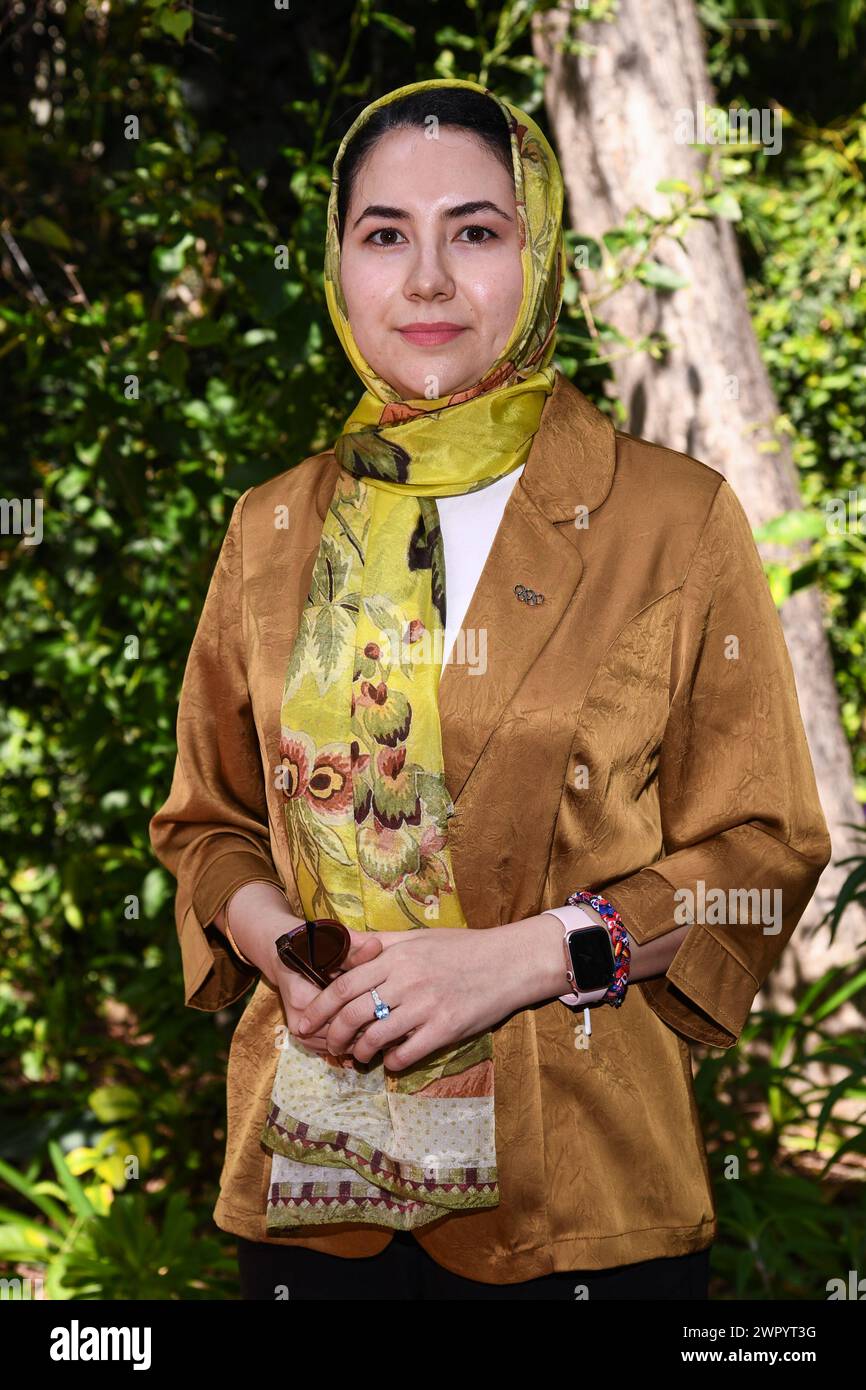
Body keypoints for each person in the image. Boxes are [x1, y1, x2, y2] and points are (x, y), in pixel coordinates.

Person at [148, 78, 832, 1301]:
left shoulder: (668, 520)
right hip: (310, 1189)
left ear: (541, 251)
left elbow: (761, 847)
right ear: (337, 263)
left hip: (575, 1197)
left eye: (473, 231)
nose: (424, 280)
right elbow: (208, 822)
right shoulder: (274, 527)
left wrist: (524, 957)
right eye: (383, 235)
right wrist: (277, 944)